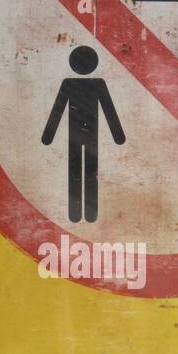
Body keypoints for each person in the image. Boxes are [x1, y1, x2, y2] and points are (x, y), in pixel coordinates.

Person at [41, 46, 126, 224]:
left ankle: (77, 213)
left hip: (77, 136)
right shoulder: (95, 84)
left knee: (78, 173)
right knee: (89, 174)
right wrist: (118, 136)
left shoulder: (71, 84)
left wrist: (48, 136)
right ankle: (88, 214)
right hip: (89, 137)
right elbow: (109, 110)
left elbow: (58, 110)